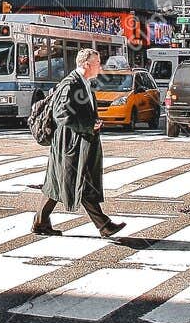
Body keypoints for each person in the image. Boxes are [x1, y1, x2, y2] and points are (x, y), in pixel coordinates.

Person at [33, 49, 125, 238]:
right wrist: (89, 126)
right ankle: (104, 226)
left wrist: (93, 123)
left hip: (77, 141)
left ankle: (40, 223)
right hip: (70, 144)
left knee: (57, 183)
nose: (100, 66)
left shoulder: (84, 83)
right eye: (97, 62)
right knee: (80, 182)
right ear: (85, 64)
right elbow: (61, 114)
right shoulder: (70, 84)